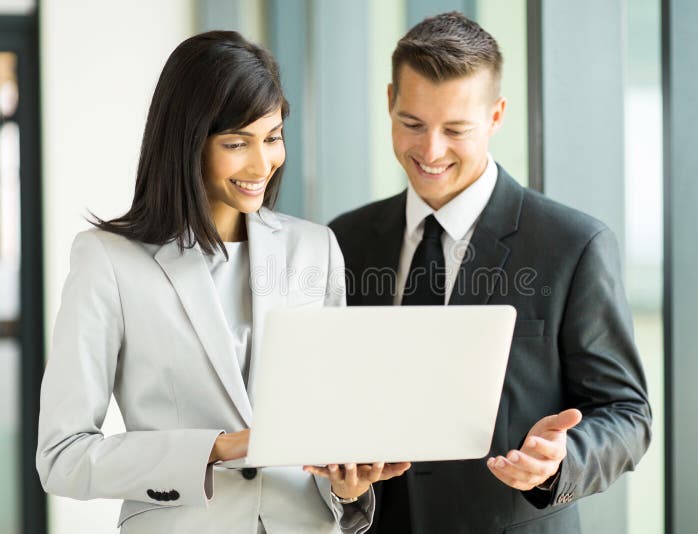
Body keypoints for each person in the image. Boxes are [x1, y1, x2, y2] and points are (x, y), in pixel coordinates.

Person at [36, 31, 408, 534]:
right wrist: (216, 449)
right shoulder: (109, 260)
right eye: (236, 143)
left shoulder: (314, 248)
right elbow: (62, 457)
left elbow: (327, 419)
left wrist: (346, 485)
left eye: (272, 137)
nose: (262, 164)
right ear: (188, 141)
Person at [329, 12, 652, 534]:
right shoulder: (343, 240)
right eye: (413, 123)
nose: (430, 151)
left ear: (497, 115)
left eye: (456, 130)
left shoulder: (573, 245)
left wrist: (561, 458)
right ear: (390, 100)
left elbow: (627, 413)